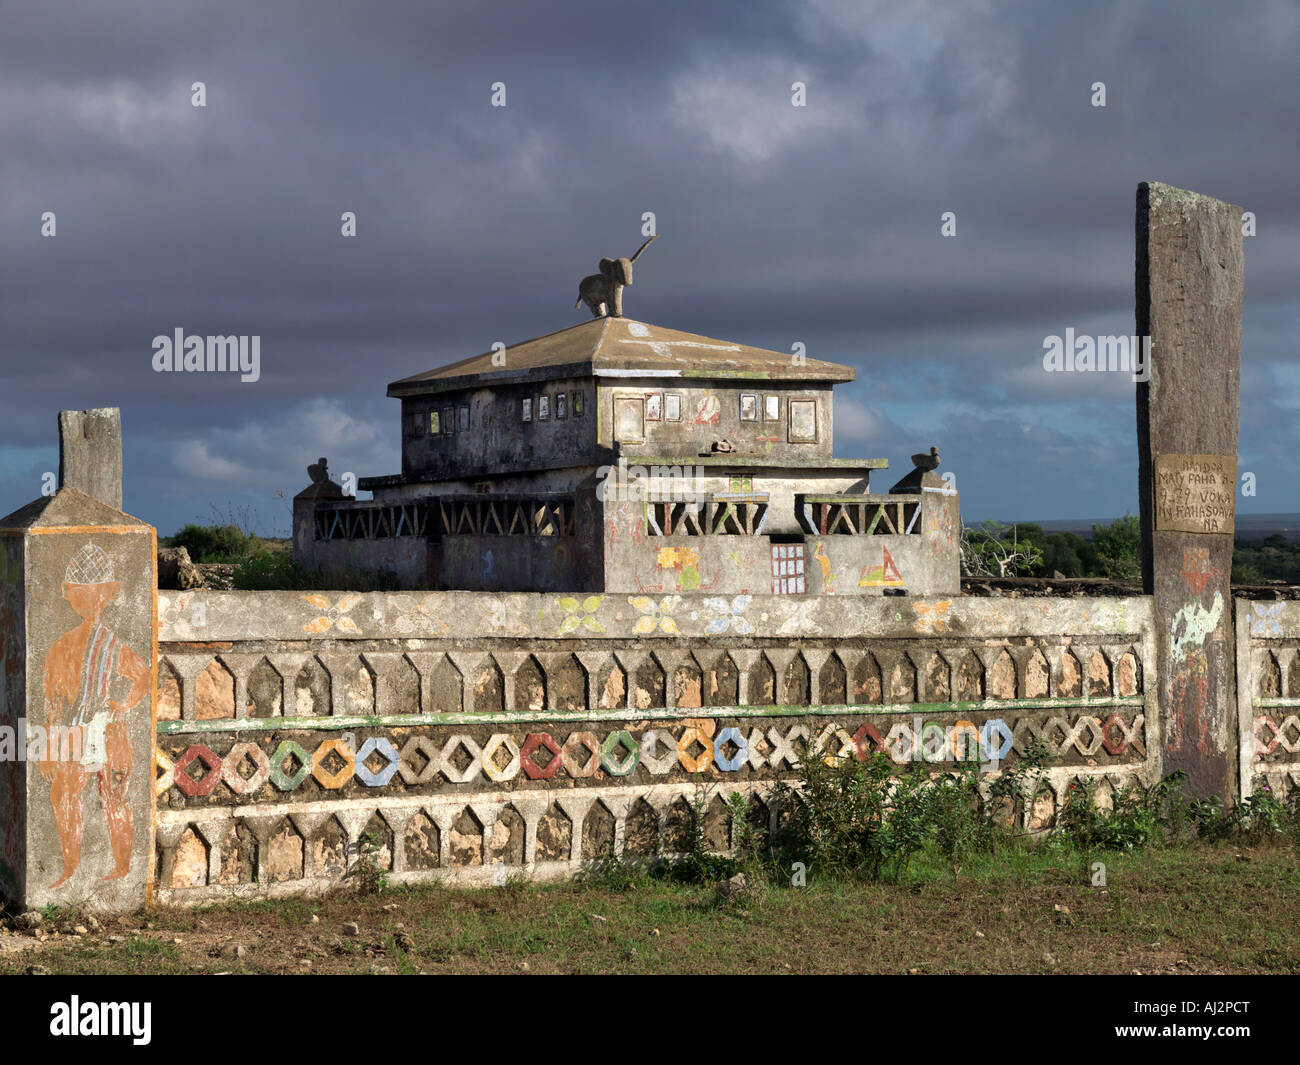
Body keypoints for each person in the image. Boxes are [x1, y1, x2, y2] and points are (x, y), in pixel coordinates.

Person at [41, 542, 149, 888]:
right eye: (81, 595)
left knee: (113, 794)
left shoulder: (110, 644)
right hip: (76, 732)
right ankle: (71, 869)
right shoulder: (60, 648)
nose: (88, 603)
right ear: (66, 592)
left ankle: (121, 867)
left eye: (96, 595)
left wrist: (126, 705)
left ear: (110, 593)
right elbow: (53, 702)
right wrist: (47, 749)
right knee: (64, 792)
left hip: (107, 729)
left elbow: (143, 676)